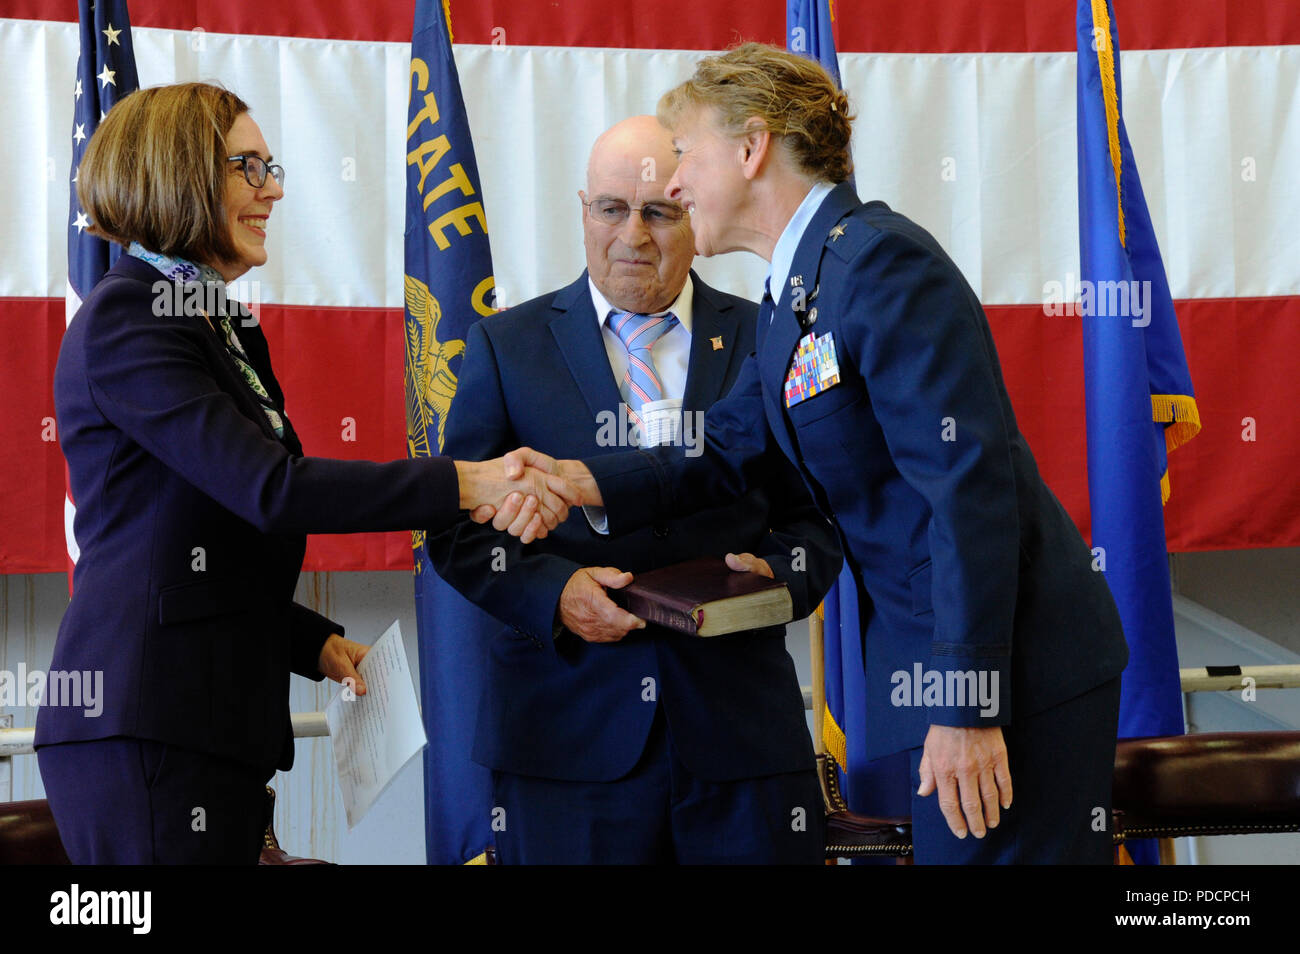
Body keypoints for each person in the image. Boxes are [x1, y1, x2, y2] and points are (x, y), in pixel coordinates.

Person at [519, 45, 1130, 864]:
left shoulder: (879, 264)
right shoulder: (792, 293)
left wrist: (967, 703)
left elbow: (966, 489)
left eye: (685, 156)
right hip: (947, 662)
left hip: (1009, 675)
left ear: (751, 148)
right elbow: (728, 442)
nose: (673, 186)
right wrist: (579, 477)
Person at [36, 82, 574, 865]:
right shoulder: (131, 317)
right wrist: (468, 483)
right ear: (180, 173)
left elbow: (201, 543)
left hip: (207, 723)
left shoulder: (217, 322)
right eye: (248, 166)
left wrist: (314, 644)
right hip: (145, 722)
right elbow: (272, 489)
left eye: (271, 165)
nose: (275, 188)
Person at [426, 115, 841, 864]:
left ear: (693, 208)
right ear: (583, 209)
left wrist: (778, 579)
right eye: (611, 208)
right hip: (567, 743)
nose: (633, 235)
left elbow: (820, 518)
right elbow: (456, 527)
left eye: (658, 211)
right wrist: (554, 595)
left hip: (739, 742)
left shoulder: (769, 337)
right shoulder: (506, 346)